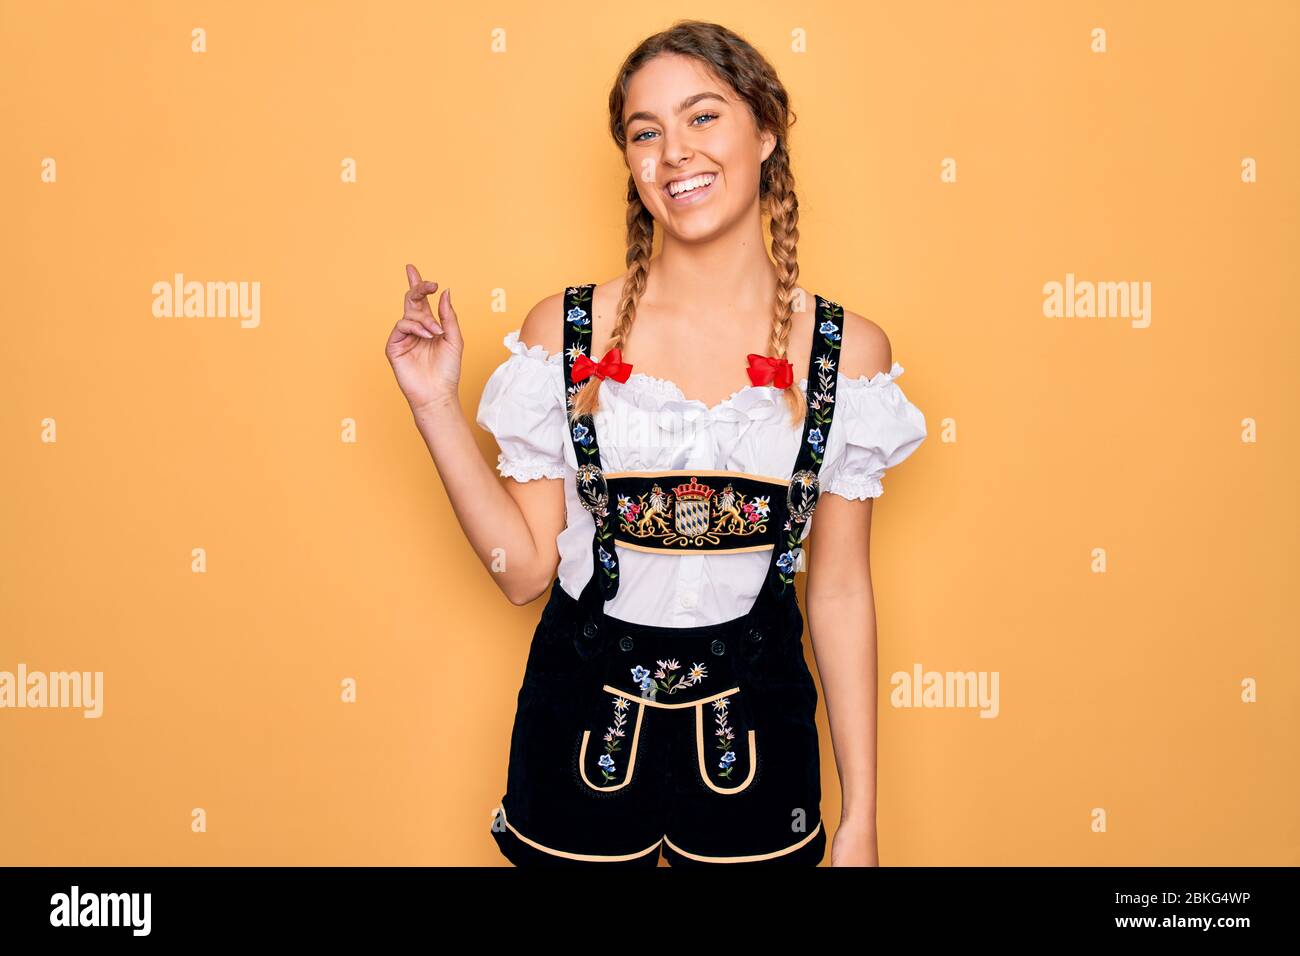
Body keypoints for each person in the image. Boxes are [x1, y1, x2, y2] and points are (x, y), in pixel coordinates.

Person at [385, 20, 927, 867]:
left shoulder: (845, 354)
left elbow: (841, 593)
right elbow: (524, 573)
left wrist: (862, 817)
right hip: (573, 746)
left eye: (703, 118)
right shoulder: (564, 332)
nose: (674, 152)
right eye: (647, 132)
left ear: (766, 129)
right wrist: (433, 405)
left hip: (762, 752)